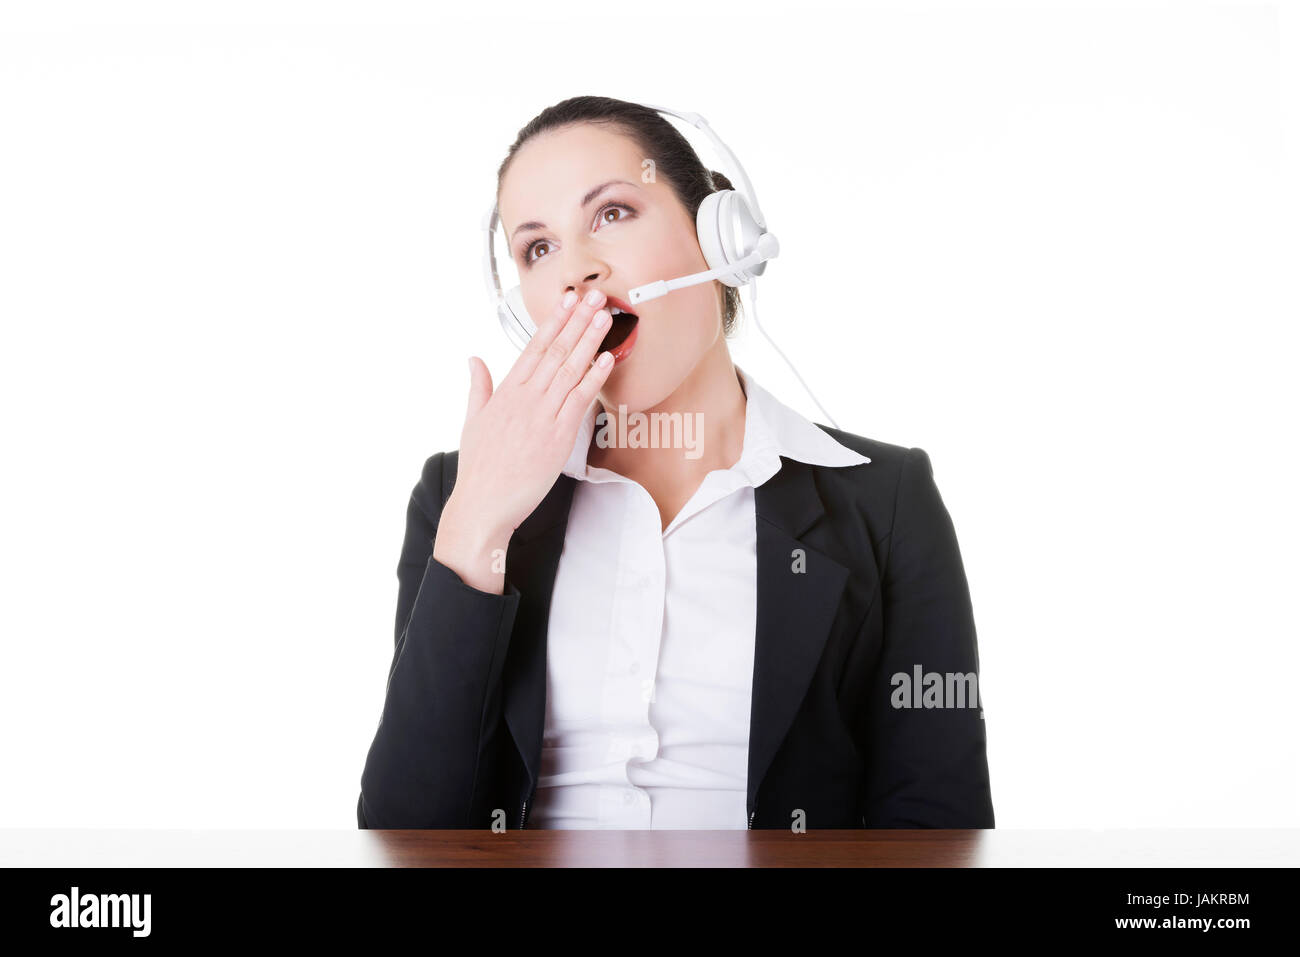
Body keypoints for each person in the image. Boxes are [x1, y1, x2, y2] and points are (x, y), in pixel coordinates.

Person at [357, 96, 994, 829]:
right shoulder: (458, 492)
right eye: (537, 248)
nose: (576, 271)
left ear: (721, 238)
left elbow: (939, 824)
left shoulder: (885, 502)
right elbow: (403, 828)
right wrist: (477, 526)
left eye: (612, 214)